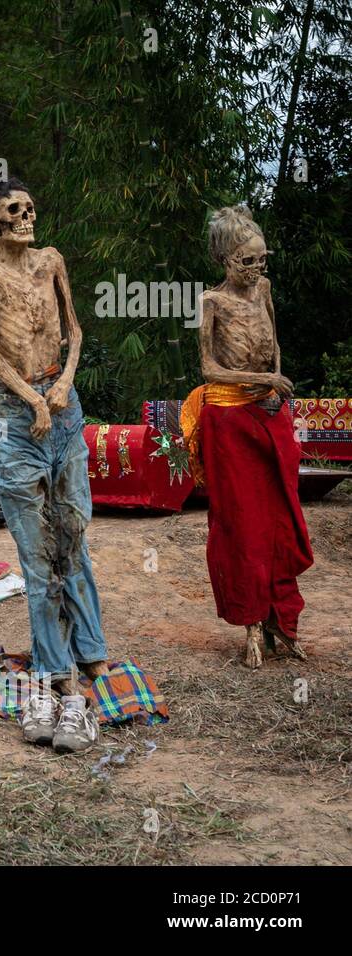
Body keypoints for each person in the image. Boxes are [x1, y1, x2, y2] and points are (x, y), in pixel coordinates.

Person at [0, 176, 106, 755]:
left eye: (29, 208)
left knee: (72, 539)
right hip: (14, 415)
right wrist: (28, 398)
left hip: (63, 404)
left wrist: (64, 384)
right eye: (14, 213)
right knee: (36, 554)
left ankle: (84, 671)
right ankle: (58, 683)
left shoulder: (51, 260)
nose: (26, 218)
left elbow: (73, 329)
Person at [182, 204, 312, 669]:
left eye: (261, 259)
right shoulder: (209, 302)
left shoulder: (265, 289)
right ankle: (251, 622)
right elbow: (208, 368)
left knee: (282, 512)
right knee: (243, 521)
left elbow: (274, 341)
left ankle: (282, 619)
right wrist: (262, 383)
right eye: (246, 261)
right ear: (223, 259)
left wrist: (275, 380)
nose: (256, 269)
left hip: (270, 410)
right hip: (230, 416)